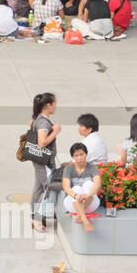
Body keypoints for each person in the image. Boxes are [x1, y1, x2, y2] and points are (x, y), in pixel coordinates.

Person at [28, 92, 61, 233]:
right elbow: (42, 142)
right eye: (54, 103)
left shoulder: (38, 119)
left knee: (38, 188)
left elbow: (30, 124)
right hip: (44, 162)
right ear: (48, 105)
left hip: (39, 160)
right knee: (48, 187)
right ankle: (37, 218)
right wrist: (55, 132)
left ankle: (34, 216)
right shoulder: (43, 122)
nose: (56, 106)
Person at [60, 142, 101, 232]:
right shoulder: (68, 169)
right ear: (73, 157)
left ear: (86, 154)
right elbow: (66, 187)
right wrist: (76, 196)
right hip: (72, 203)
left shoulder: (93, 168)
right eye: (76, 155)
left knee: (89, 184)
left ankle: (80, 216)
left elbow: (97, 185)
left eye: (81, 154)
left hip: (91, 203)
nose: (79, 158)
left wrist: (87, 195)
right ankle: (85, 220)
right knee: (76, 188)